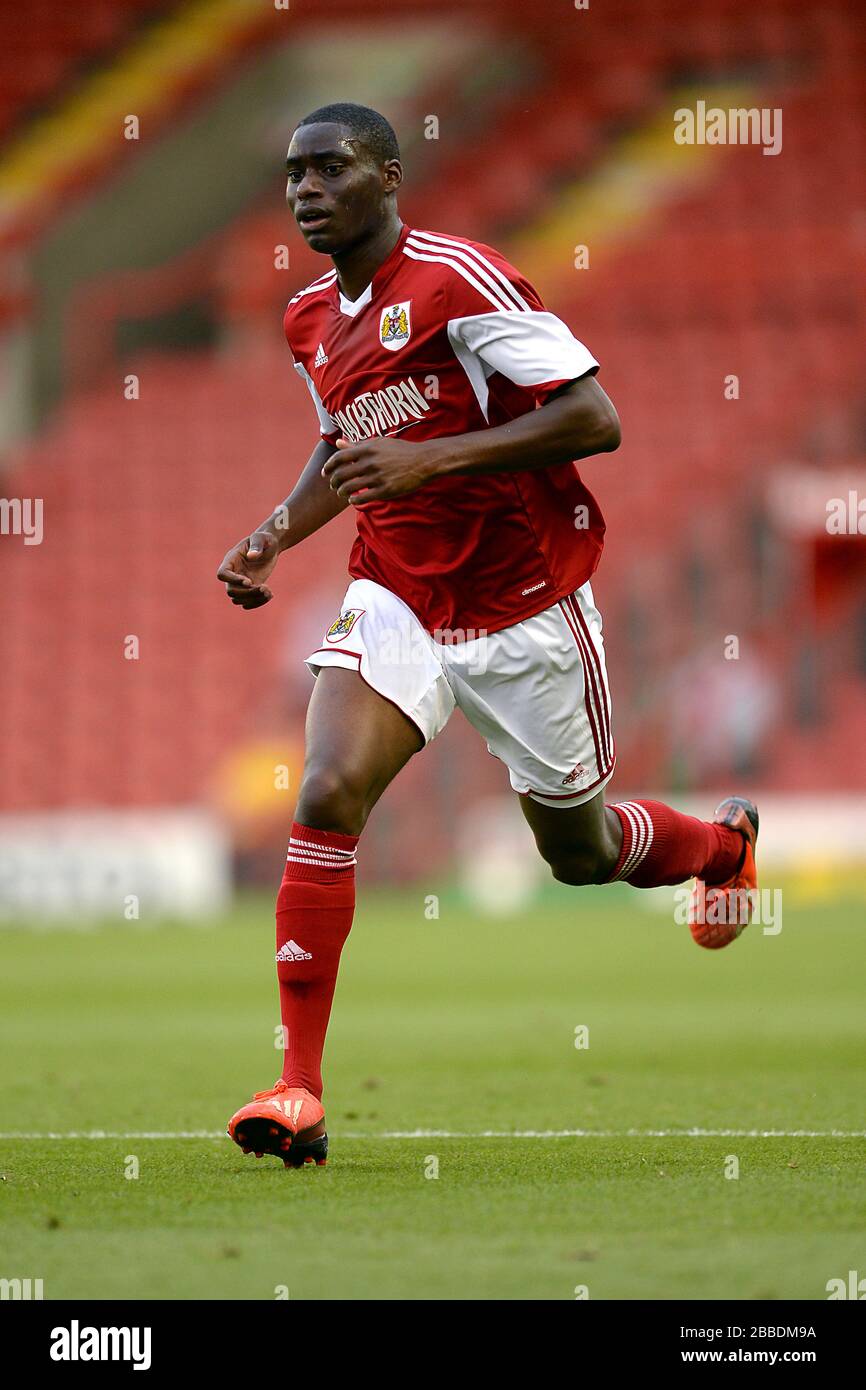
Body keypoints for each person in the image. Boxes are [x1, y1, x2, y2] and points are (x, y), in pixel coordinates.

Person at [217, 103, 759, 1168]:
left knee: (579, 851)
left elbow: (592, 417)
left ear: (386, 174)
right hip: (396, 595)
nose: (304, 189)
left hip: (525, 607)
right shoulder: (305, 321)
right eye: (291, 173)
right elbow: (344, 447)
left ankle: (718, 846)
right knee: (324, 790)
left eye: (329, 167)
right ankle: (297, 1088)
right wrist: (273, 536)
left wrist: (434, 461)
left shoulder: (459, 278)